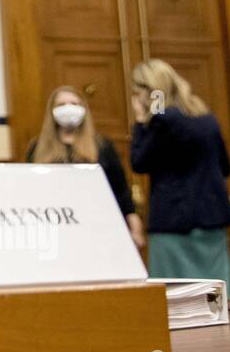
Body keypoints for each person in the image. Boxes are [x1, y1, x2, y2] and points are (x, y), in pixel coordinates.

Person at [129, 59, 230, 294]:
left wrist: (139, 122)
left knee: (175, 301)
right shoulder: (207, 120)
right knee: (214, 296)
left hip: (173, 224)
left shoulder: (163, 120)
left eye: (137, 92)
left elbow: (139, 162)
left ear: (148, 91)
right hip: (211, 221)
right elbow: (225, 168)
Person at [25, 86, 145, 249]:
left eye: (74, 103)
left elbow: (120, 188)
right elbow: (29, 190)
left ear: (84, 109)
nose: (68, 108)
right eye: (61, 104)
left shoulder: (102, 146)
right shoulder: (37, 147)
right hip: (54, 227)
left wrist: (134, 225)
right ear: (51, 111)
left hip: (96, 225)